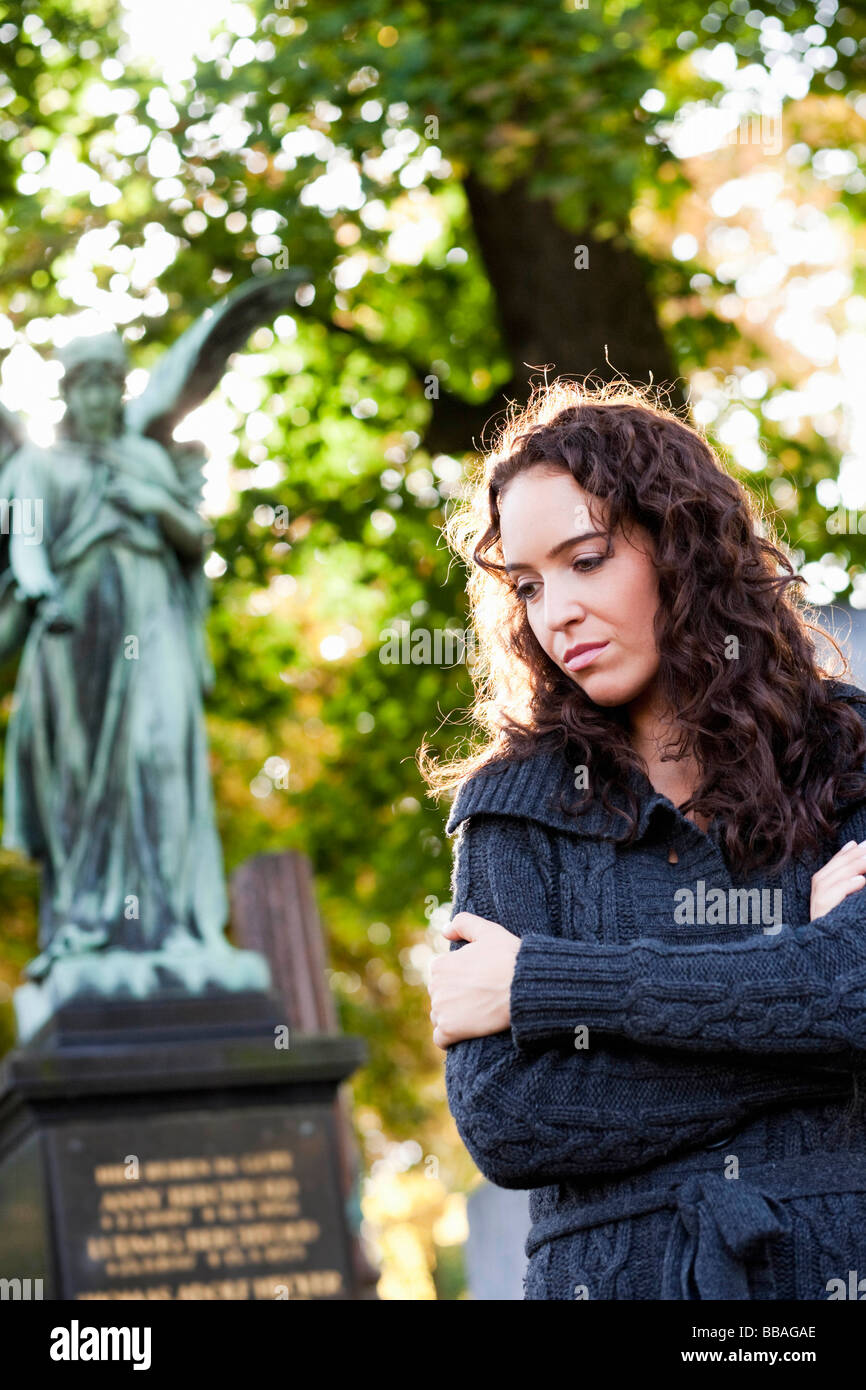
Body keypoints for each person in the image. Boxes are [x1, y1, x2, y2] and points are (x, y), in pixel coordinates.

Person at [421, 378, 866, 1300]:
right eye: (531, 586)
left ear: (681, 542)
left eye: (587, 561)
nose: (558, 615)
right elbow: (511, 1120)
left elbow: (857, 995)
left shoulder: (848, 751)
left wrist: (541, 983)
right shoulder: (513, 807)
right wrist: (806, 1008)